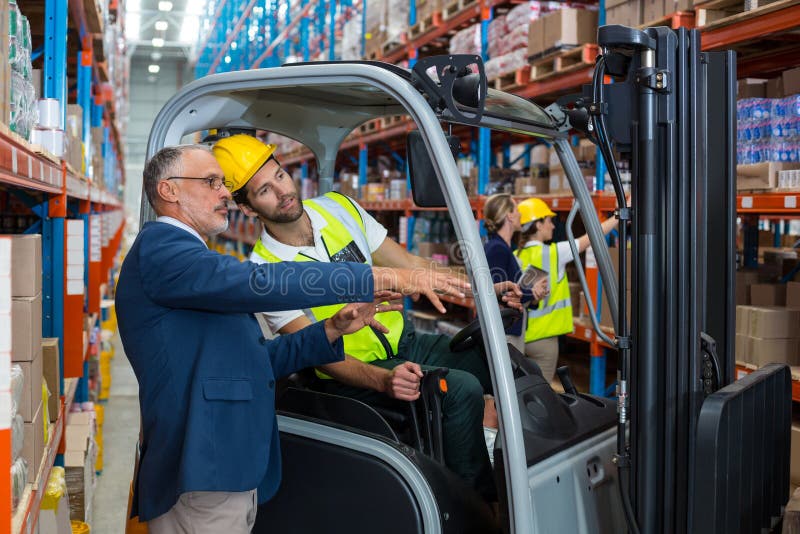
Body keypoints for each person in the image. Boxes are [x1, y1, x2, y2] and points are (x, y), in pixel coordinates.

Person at [116, 144, 468, 533]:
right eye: (212, 182)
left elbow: (256, 359)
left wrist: (332, 329)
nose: (223, 194)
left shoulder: (191, 261)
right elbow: (260, 282)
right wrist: (381, 276)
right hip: (203, 466)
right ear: (169, 191)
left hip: (230, 465)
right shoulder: (163, 250)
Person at [211, 134, 522, 498]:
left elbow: (411, 266)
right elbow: (317, 355)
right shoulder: (264, 270)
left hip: (406, 342)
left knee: (500, 360)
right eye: (264, 190)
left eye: (280, 176)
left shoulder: (338, 207)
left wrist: (485, 289)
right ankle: (480, 507)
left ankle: (510, 463)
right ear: (247, 208)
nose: (282, 191)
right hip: (352, 373)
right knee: (460, 391)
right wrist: (382, 381)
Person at [514, 197, 618, 382]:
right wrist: (617, 216)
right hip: (544, 341)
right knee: (539, 393)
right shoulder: (554, 253)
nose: (553, 226)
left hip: (519, 338)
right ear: (537, 225)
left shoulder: (515, 256)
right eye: (548, 221)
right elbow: (591, 238)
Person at [482, 193, 549, 352]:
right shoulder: (497, 249)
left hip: (508, 328)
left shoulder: (502, 248)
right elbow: (500, 292)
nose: (520, 214)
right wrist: (532, 293)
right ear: (509, 216)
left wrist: (533, 295)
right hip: (504, 331)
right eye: (517, 210)